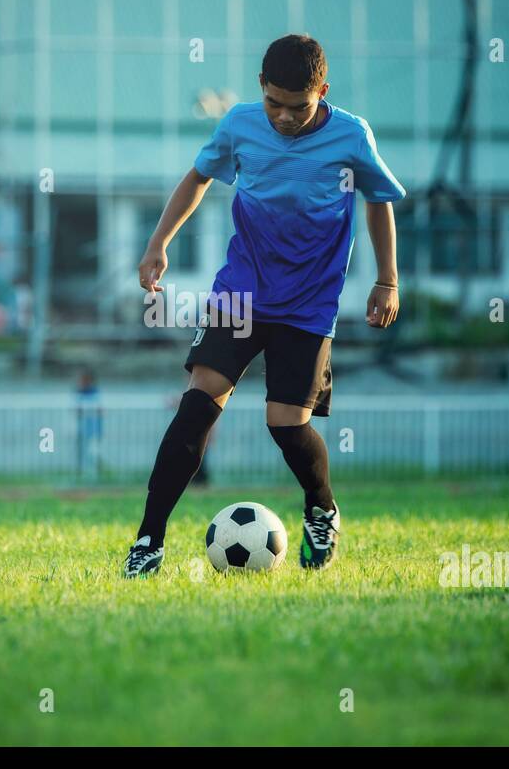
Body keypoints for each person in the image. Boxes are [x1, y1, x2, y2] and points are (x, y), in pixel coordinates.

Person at [123, 34, 405, 577]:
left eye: (297, 106)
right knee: (198, 403)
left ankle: (321, 509)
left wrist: (387, 280)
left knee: (285, 425)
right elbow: (198, 177)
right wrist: (158, 244)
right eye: (273, 102)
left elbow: (379, 200)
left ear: (322, 91)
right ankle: (148, 542)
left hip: (308, 305)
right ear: (260, 88)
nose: (282, 116)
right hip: (240, 291)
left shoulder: (351, 135)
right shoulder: (240, 125)